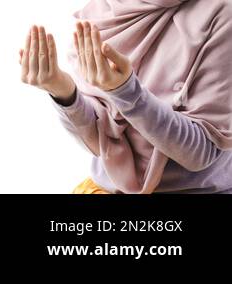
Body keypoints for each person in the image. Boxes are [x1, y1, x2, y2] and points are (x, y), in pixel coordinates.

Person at [18, 0, 232, 193]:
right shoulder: (103, 9)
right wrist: (63, 92)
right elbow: (101, 144)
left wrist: (126, 92)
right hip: (104, 189)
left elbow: (201, 154)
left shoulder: (222, 13)